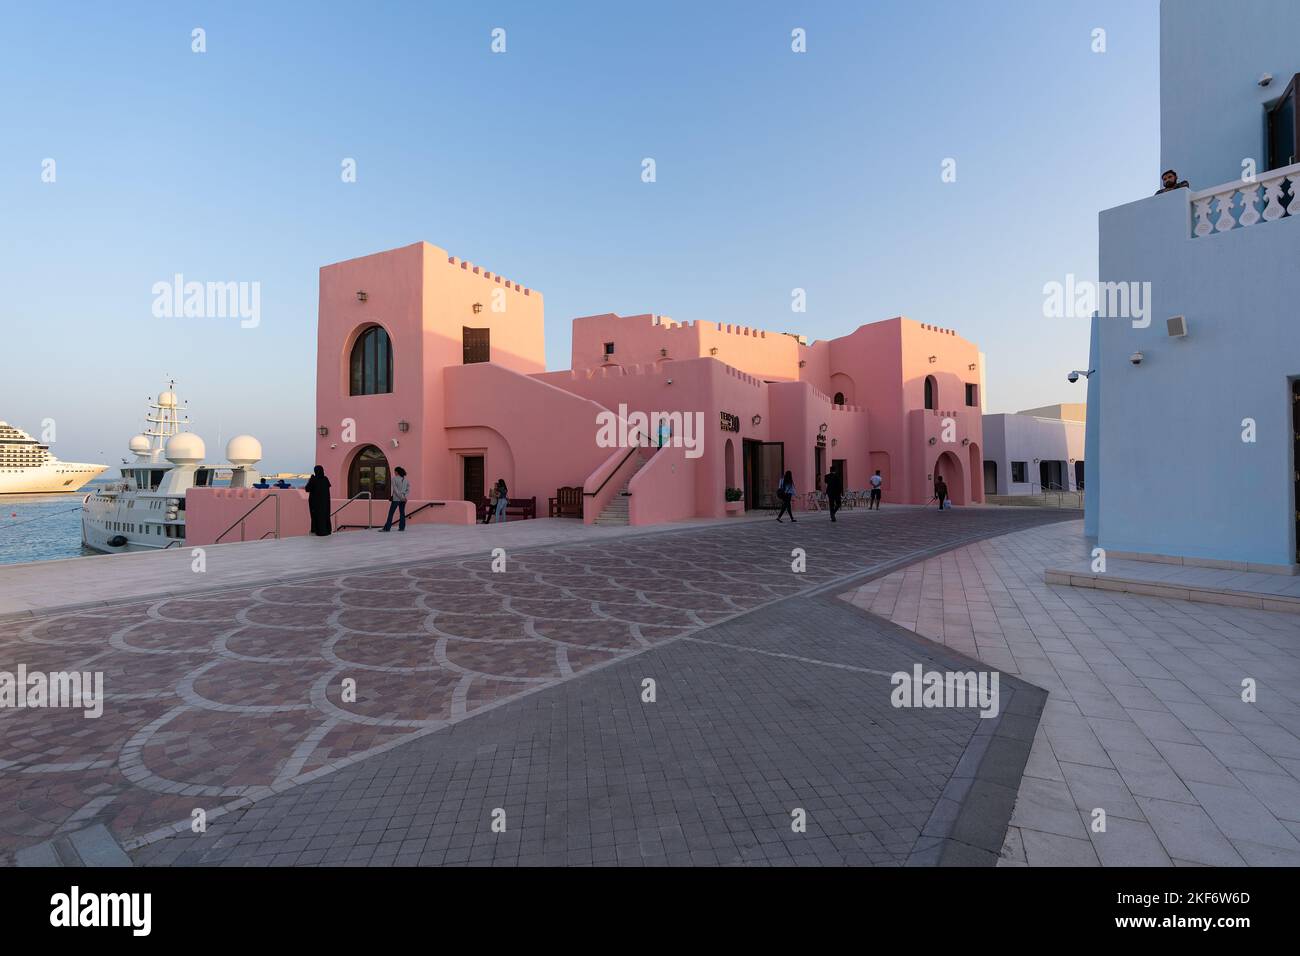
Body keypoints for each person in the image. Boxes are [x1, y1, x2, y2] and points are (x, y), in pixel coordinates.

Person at [379, 466, 409, 532]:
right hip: (403, 499)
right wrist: (404, 497)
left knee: (391, 513)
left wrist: (400, 497)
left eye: (394, 471)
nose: (394, 473)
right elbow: (408, 490)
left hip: (396, 499)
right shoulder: (405, 480)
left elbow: (395, 490)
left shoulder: (394, 479)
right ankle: (401, 528)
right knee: (402, 513)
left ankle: (387, 528)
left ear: (397, 472)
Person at [305, 465, 332, 536]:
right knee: (325, 515)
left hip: (315, 502)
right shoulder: (325, 479)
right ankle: (327, 530)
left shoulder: (313, 479)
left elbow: (307, 489)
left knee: (315, 516)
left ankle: (318, 530)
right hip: (325, 501)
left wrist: (310, 479)